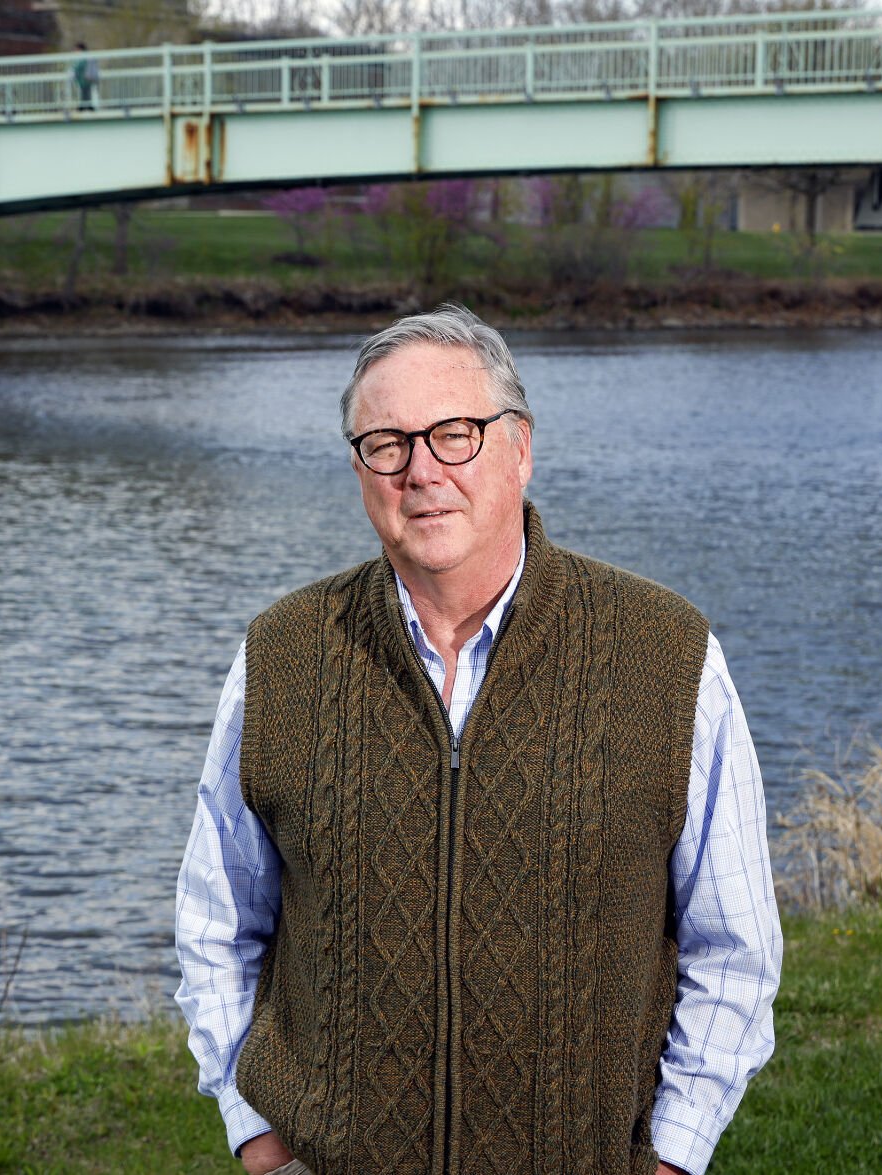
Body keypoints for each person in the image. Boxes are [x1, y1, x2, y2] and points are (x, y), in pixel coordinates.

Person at [174, 303, 782, 1175]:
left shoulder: (665, 652)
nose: (420, 470)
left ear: (519, 447)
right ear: (358, 467)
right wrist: (260, 1136)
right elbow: (216, 922)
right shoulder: (283, 653)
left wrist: (673, 1156)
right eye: (385, 443)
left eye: (454, 434)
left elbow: (735, 949)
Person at [72, 43, 99, 111]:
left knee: (85, 92)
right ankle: (86, 105)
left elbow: (79, 67)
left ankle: (85, 106)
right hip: (84, 78)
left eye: (77, 49)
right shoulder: (85, 56)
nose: (75, 51)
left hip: (86, 78)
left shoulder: (84, 57)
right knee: (85, 92)